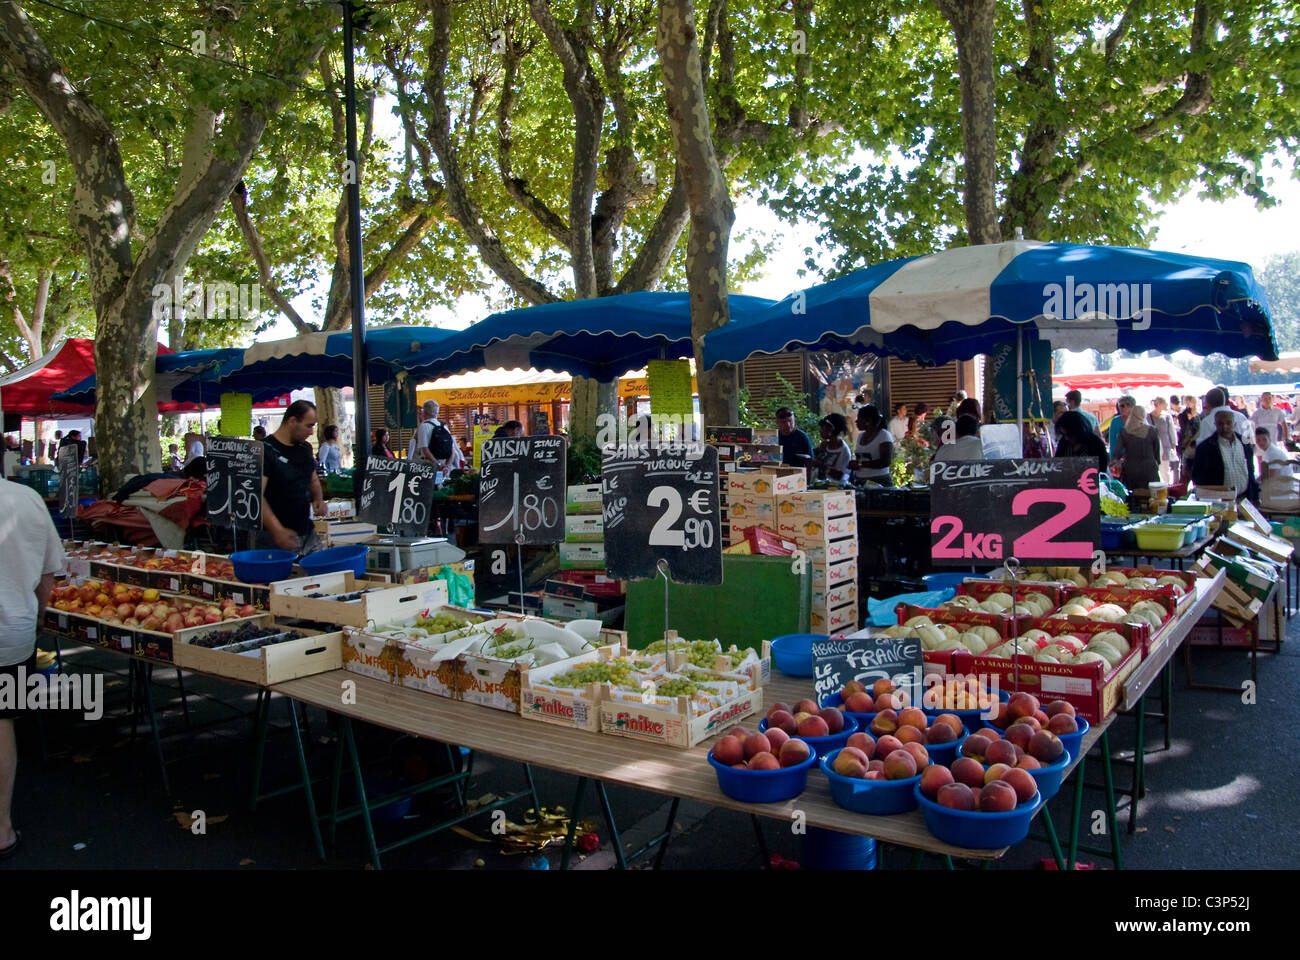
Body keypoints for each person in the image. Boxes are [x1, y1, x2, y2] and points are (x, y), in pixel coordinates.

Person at [0, 471, 66, 861]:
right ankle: (1, 829)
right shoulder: (27, 499)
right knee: (2, 720)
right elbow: (47, 574)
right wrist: (39, 615)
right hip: (12, 631)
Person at [260, 400, 327, 553]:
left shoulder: (305, 448)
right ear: (292, 421)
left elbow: (313, 478)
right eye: (309, 426)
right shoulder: (265, 450)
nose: (311, 432)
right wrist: (277, 530)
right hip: (272, 538)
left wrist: (318, 498)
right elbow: (256, 495)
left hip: (306, 533)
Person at [1192, 410, 1259, 502]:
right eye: (1220, 424)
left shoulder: (1245, 444)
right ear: (1215, 425)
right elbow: (1198, 477)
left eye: (1228, 423)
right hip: (1219, 502)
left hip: (1245, 499)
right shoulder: (1205, 448)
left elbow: (1250, 470)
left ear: (1234, 424)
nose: (1224, 427)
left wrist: (1255, 496)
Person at [1115, 404, 1162, 490]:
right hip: (1149, 468)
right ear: (1143, 415)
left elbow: (1117, 452)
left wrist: (1118, 461)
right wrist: (1157, 463)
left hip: (1131, 468)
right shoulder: (1152, 431)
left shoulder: (1124, 432)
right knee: (1152, 494)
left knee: (1133, 494)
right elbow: (1157, 451)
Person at [408, 400, 459, 471]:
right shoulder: (444, 426)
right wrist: (447, 466)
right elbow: (452, 450)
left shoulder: (423, 426)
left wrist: (438, 465)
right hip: (445, 465)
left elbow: (425, 449)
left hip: (429, 466)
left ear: (425, 412)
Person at [849, 405, 894, 485]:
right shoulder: (860, 436)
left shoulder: (883, 435)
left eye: (859, 418)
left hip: (879, 481)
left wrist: (860, 464)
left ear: (868, 420)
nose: (856, 421)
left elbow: (885, 461)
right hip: (860, 480)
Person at [1055, 410, 1109, 474]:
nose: (1066, 438)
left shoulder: (1096, 443)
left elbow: (1102, 469)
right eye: (1063, 435)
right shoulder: (1063, 443)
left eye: (1069, 435)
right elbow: (1057, 465)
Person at [812, 413, 852, 484]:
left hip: (837, 487)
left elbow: (840, 476)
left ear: (831, 429)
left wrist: (820, 465)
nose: (820, 430)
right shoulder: (826, 445)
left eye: (823, 428)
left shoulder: (844, 451)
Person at [1147, 396, 1178, 483]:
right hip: (1153, 446)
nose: (1166, 405)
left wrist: (1174, 444)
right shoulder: (1148, 417)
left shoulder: (1167, 416)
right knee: (1154, 469)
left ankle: (1167, 487)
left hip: (1165, 446)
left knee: (1165, 470)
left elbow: (1171, 431)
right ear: (1159, 404)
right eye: (1165, 403)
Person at [1106, 395, 1136, 460]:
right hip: (1120, 457)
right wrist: (1113, 459)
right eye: (1120, 406)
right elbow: (1112, 442)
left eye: (1123, 406)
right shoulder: (1115, 421)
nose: (1121, 408)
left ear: (1132, 406)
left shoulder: (1139, 419)